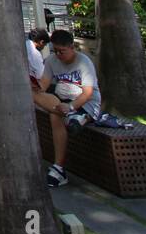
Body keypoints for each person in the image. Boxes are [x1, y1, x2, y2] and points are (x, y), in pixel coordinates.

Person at [34, 29, 101, 188]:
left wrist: (71, 107)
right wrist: (35, 87)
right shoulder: (51, 61)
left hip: (85, 104)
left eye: (62, 51)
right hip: (62, 102)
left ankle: (59, 168)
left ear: (72, 47)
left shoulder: (84, 62)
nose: (58, 54)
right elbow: (44, 84)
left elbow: (88, 93)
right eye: (55, 50)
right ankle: (59, 168)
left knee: (54, 115)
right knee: (39, 99)